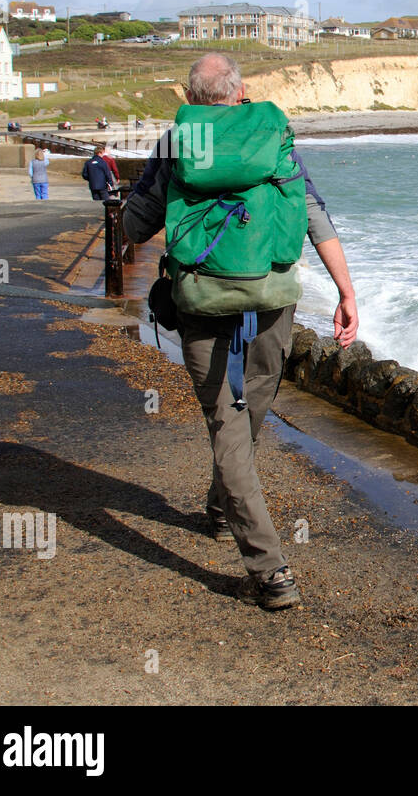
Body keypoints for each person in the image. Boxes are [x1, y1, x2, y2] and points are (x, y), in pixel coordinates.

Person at [123, 53, 358, 610]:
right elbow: (313, 214)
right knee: (248, 413)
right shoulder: (275, 135)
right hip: (273, 299)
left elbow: (135, 228)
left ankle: (260, 559)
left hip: (202, 301)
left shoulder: (175, 142)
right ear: (241, 90)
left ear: (189, 95)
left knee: (227, 424)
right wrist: (347, 292)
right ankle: (261, 552)